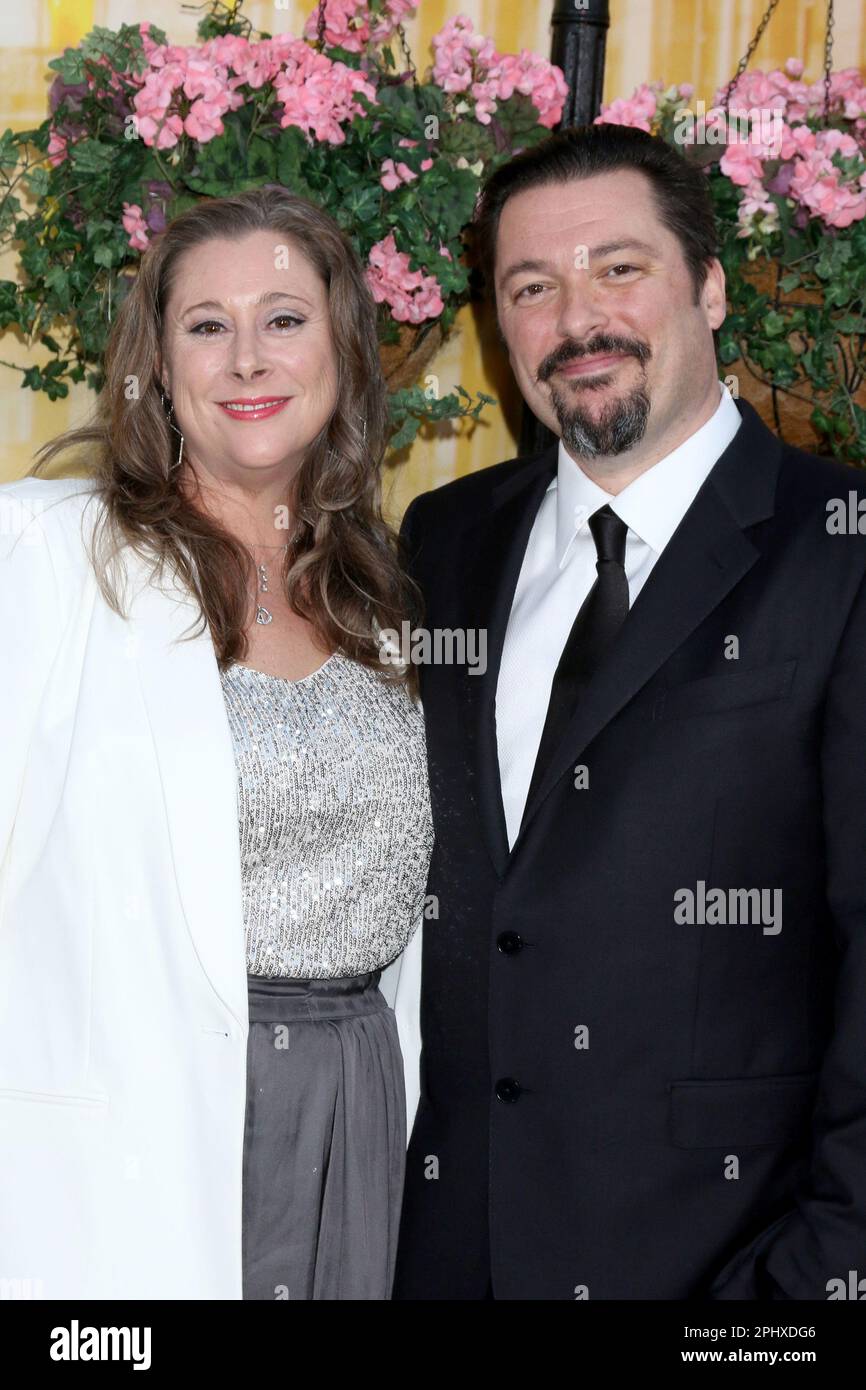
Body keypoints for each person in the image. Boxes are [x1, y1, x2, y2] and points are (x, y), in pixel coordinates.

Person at [392, 124, 866, 1300]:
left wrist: (808, 1286)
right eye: (531, 287)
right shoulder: (441, 542)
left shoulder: (841, 548)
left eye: (619, 268)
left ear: (707, 287)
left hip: (727, 1269)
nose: (576, 318)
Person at [0, 186, 433, 1300]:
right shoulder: (48, 557)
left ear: (339, 353)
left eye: (283, 318)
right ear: (157, 366)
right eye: (206, 325)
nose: (247, 358)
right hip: (127, 1135)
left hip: (356, 1110)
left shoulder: (386, 585)